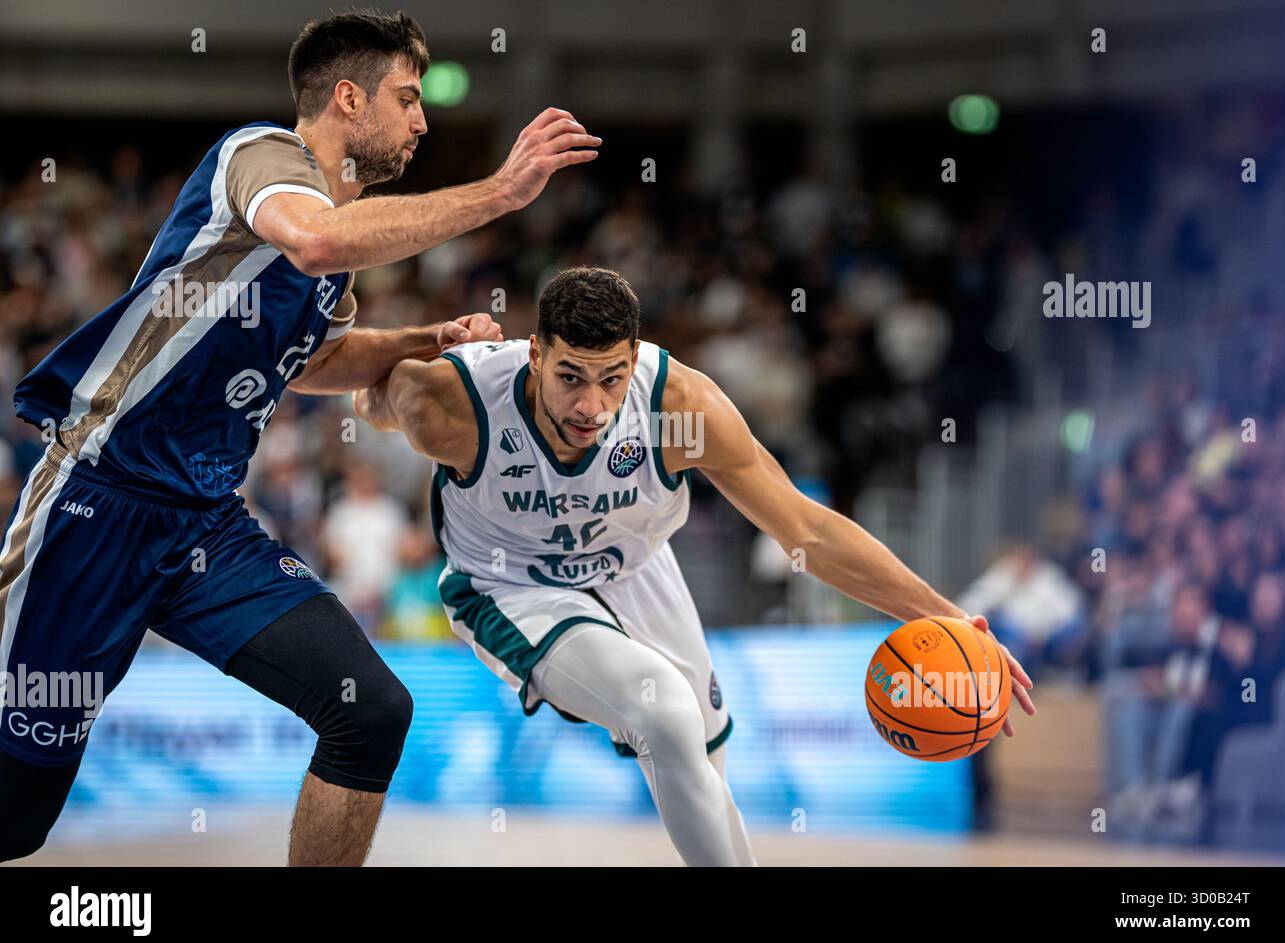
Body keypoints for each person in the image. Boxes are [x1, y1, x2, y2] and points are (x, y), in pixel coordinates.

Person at [0, 8, 598, 864]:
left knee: (371, 713)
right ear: (348, 100)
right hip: (97, 502)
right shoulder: (261, 157)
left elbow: (313, 361)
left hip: (205, 524)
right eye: (408, 97)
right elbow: (312, 240)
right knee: (15, 819)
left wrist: (421, 343)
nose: (423, 120)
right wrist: (502, 193)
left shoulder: (340, 246)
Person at [353, 266, 1036, 865]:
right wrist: (428, 342)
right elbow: (367, 398)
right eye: (569, 377)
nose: (590, 405)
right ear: (534, 354)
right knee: (666, 712)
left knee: (702, 764)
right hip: (513, 585)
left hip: (636, 567)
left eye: (610, 378)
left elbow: (807, 532)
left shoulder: (679, 406)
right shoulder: (453, 402)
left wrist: (949, 618)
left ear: (634, 362)